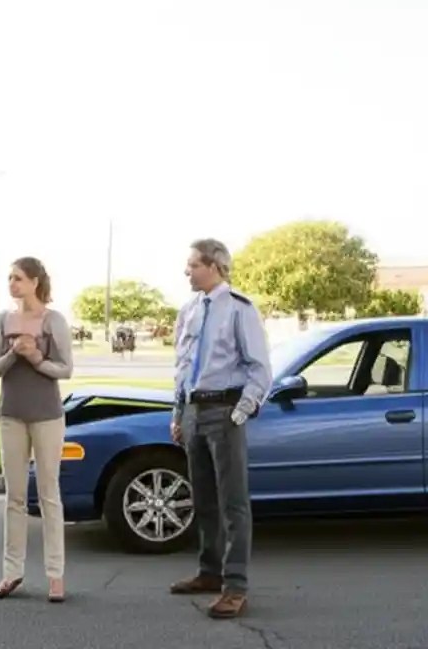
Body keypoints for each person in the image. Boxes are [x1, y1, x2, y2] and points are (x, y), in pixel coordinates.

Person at [167, 238, 272, 619]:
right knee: (204, 501)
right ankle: (209, 572)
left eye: (193, 264)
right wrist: (179, 412)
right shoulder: (189, 310)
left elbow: (259, 368)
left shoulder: (240, 309)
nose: (187, 271)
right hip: (195, 410)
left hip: (225, 410)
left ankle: (235, 586)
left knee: (233, 504)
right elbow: (183, 364)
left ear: (215, 266)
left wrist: (240, 413)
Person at [0, 257, 74, 603]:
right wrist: (12, 354)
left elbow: (65, 370)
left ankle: (56, 575)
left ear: (35, 281)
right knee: (15, 497)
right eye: (9, 277)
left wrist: (36, 357)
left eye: (18, 278)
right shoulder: (1, 321)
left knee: (49, 494)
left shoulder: (54, 320)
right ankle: (11, 573)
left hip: (47, 416)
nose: (12, 283)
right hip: (11, 414)